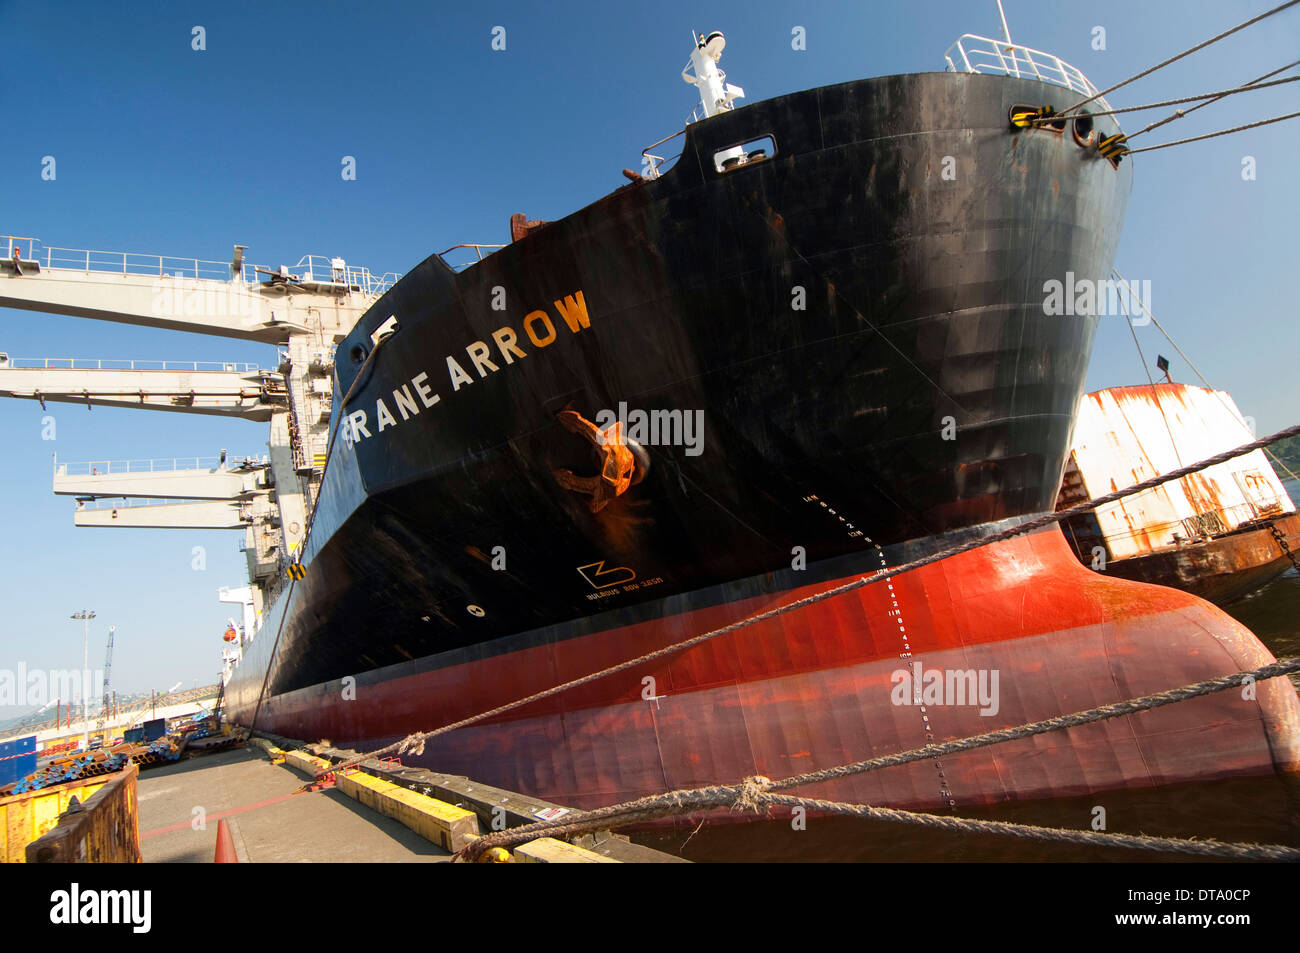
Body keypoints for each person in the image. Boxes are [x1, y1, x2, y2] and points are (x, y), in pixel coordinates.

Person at [552, 409, 637, 513]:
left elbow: (594, 435)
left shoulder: (616, 456)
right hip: (613, 482)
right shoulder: (620, 456)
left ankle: (571, 420)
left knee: (602, 444)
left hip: (611, 481)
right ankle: (565, 479)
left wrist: (577, 422)